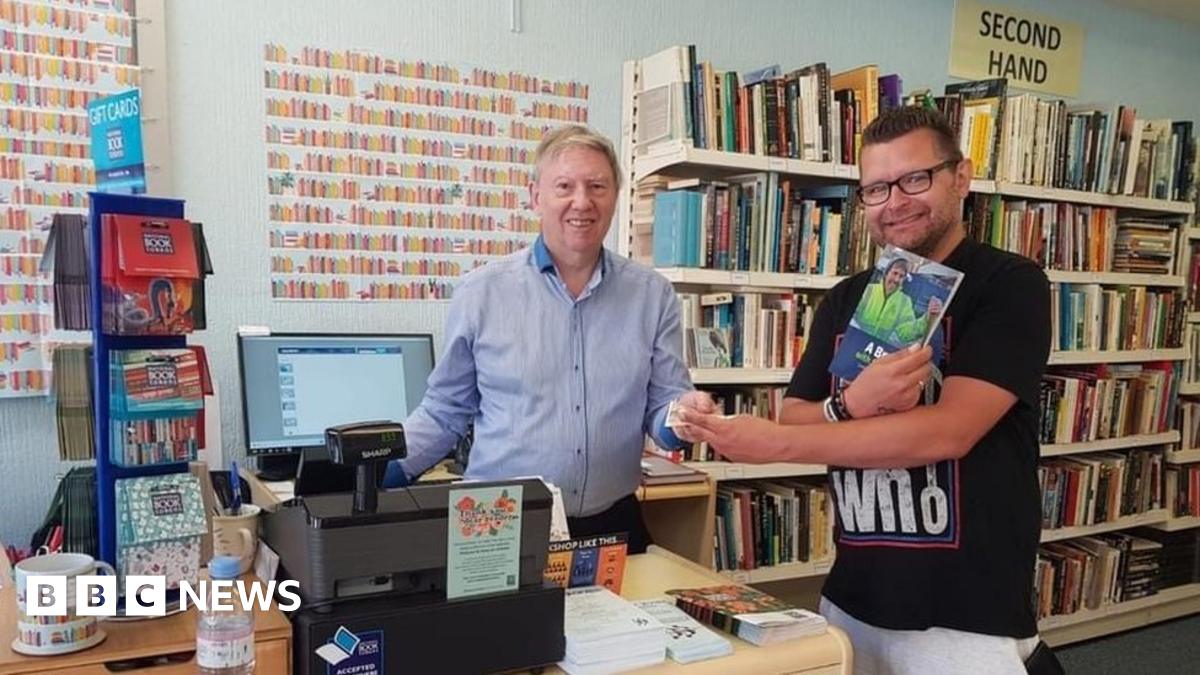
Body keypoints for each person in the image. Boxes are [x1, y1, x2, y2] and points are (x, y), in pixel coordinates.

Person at [679, 107, 1052, 674]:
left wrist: (776, 445)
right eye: (876, 189)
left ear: (961, 176)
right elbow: (798, 413)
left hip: (964, 612)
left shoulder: (1009, 284)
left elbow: (948, 433)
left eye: (915, 179)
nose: (894, 202)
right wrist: (851, 403)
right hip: (853, 596)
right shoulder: (847, 298)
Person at [386, 124, 714, 553]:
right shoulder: (481, 293)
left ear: (615, 196)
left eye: (597, 186)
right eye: (564, 186)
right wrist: (376, 472)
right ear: (535, 196)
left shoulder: (652, 295)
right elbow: (445, 412)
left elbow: (663, 405)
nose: (582, 201)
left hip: (612, 523)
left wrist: (682, 418)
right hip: (499, 523)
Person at [851, 256, 942, 345]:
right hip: (855, 343)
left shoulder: (905, 302)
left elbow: (906, 332)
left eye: (901, 276)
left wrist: (927, 317)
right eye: (895, 273)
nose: (896, 279)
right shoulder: (868, 290)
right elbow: (851, 317)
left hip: (880, 350)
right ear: (886, 273)